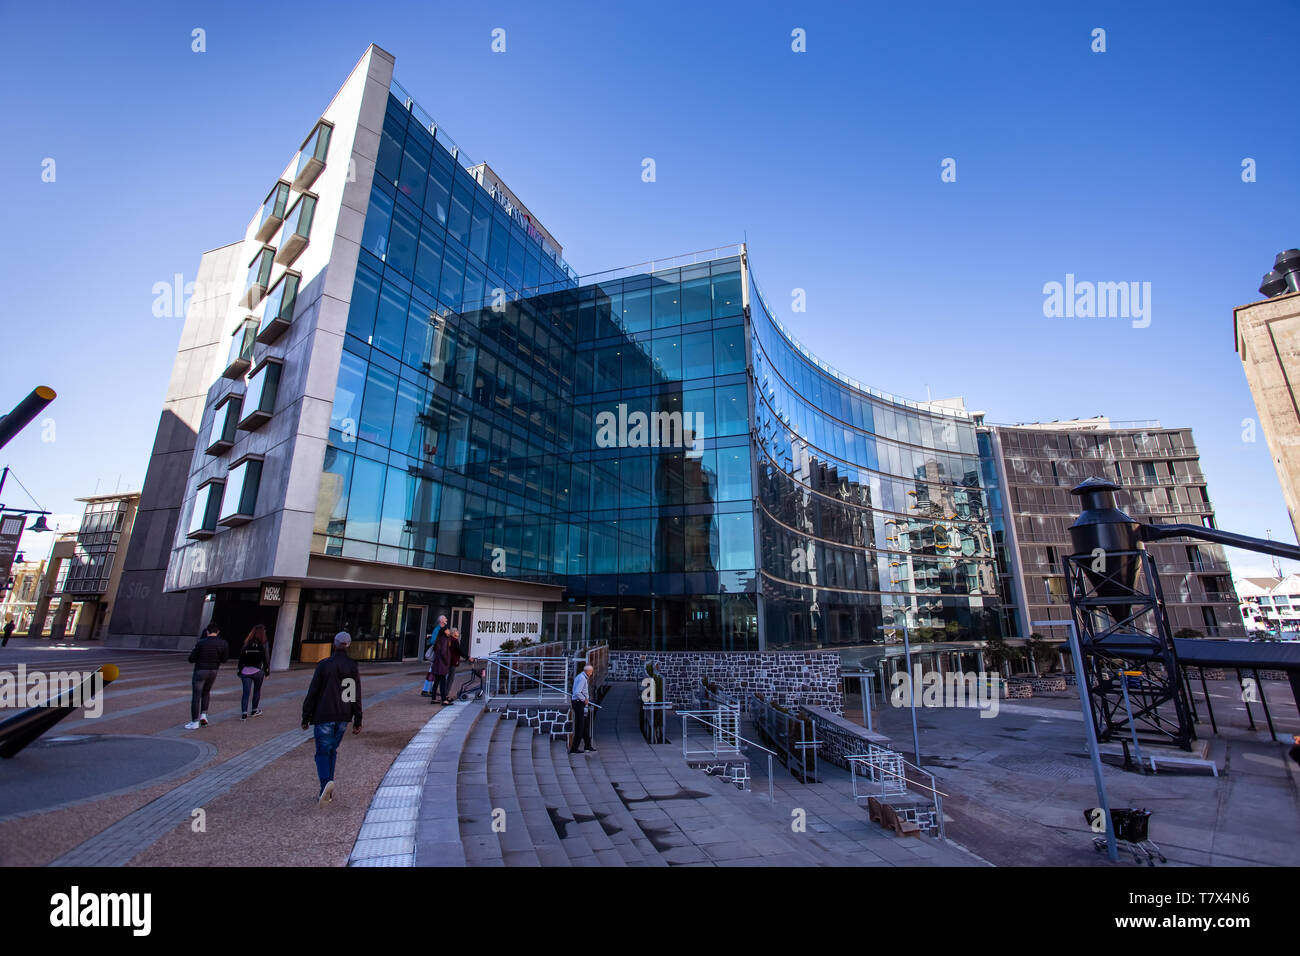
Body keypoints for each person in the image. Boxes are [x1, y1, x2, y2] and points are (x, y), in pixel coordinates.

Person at [301, 631, 363, 807]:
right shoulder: (352, 666)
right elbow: (353, 694)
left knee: (322, 751)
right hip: (343, 714)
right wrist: (357, 718)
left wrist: (306, 715)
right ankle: (328, 787)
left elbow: (313, 692)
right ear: (348, 645)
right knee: (332, 750)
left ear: (334, 644)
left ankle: (325, 785)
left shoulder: (324, 665)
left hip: (324, 713)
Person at [185, 624, 229, 730]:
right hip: (213, 670)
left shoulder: (201, 643)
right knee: (206, 692)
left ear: (207, 632)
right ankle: (204, 715)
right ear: (218, 632)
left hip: (201, 670)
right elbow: (224, 659)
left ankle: (194, 721)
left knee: (196, 695)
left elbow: (191, 658)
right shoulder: (223, 643)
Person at [237, 624, 271, 720]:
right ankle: (254, 710)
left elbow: (241, 657)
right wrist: (267, 671)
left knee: (245, 693)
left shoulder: (247, 642)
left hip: (246, 671)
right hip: (258, 671)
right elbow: (266, 658)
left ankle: (244, 713)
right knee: (257, 691)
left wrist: (240, 670)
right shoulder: (264, 643)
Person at [429, 626, 461, 705]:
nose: (448, 631)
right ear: (444, 632)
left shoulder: (439, 639)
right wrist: (447, 661)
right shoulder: (444, 640)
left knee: (437, 681)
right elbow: (444, 652)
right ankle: (444, 699)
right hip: (441, 664)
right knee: (443, 681)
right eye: (447, 630)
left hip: (437, 663)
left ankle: (433, 698)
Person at [570, 664, 596, 755]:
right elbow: (577, 692)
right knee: (580, 725)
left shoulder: (581, 677)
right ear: (588, 671)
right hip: (578, 703)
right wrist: (584, 699)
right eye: (591, 672)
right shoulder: (582, 678)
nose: (592, 673)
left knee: (585, 724)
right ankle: (574, 748)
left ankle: (587, 745)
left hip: (579, 703)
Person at [421, 614, 448, 696]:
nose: (446, 619)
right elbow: (433, 641)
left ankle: (432, 689)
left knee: (435, 671)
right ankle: (426, 690)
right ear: (441, 621)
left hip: (439, 653)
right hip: (437, 653)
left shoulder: (443, 629)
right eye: (445, 618)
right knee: (432, 671)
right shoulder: (437, 629)